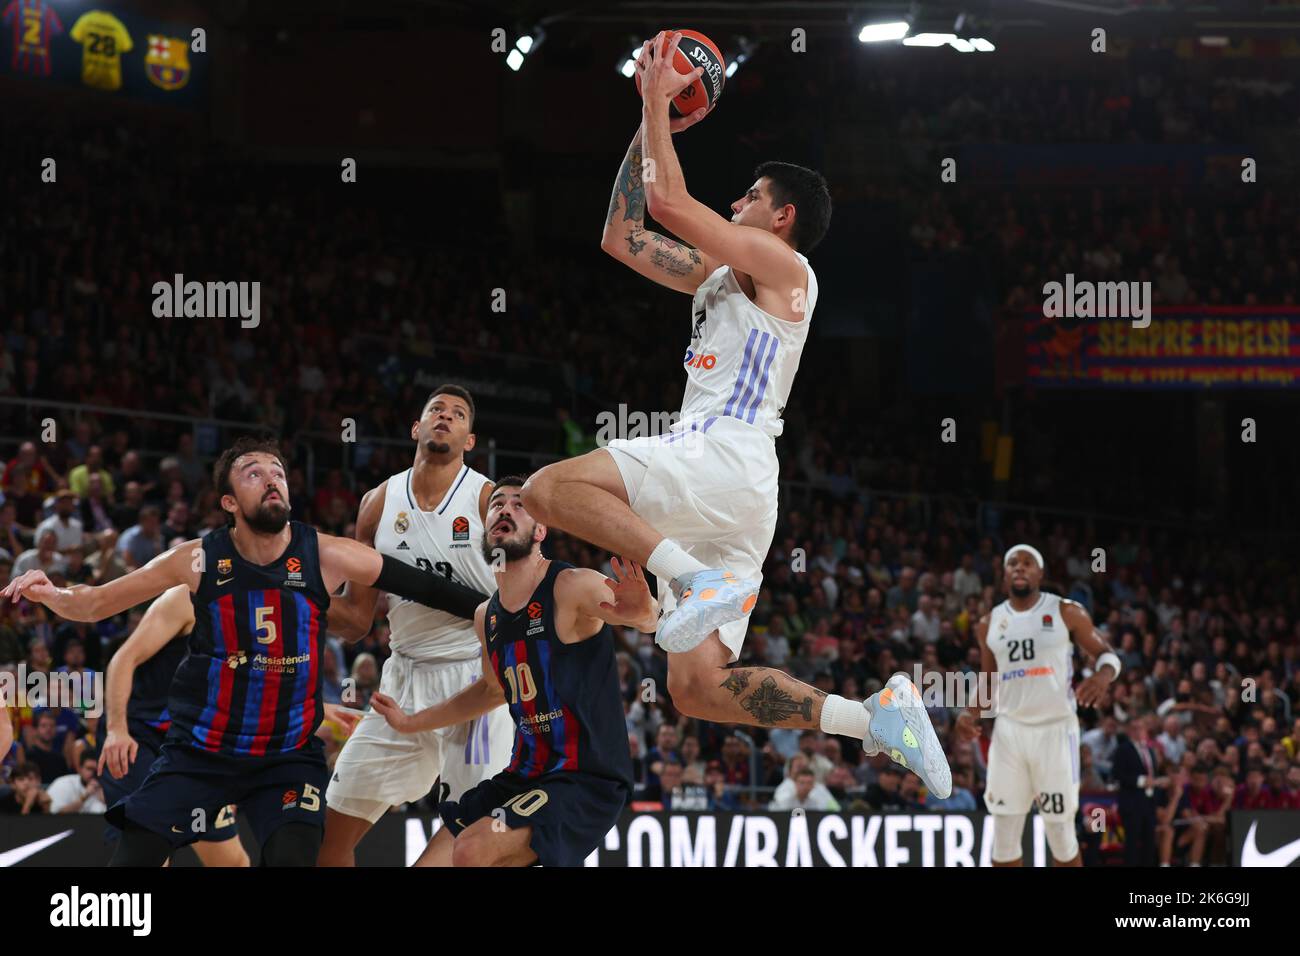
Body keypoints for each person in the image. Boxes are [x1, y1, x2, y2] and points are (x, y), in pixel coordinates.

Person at [520, 31, 948, 800]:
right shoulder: (722, 279)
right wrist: (648, 127)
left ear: (781, 217)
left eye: (748, 197)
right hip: (734, 494)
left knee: (549, 491)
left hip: (723, 456)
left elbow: (669, 201)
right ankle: (873, 718)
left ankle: (694, 581)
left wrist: (657, 99)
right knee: (697, 689)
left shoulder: (788, 270)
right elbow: (623, 234)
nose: (734, 203)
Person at [2, 436, 495, 866]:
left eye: (277, 471)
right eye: (253, 473)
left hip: (285, 757)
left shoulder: (325, 553)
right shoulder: (196, 560)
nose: (271, 479)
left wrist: (502, 615)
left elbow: (425, 587)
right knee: (134, 858)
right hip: (200, 752)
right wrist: (54, 595)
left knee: (293, 855)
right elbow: (97, 603)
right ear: (229, 501)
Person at [371, 476, 652, 866]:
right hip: (522, 775)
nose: (505, 508)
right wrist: (410, 722)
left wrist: (644, 614)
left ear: (540, 530)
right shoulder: (486, 617)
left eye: (520, 504)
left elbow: (649, 618)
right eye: (497, 504)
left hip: (584, 776)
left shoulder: (571, 586)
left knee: (473, 849)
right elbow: (490, 692)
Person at [319, 386, 514, 867]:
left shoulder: (489, 498)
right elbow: (355, 622)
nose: (445, 417)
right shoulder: (378, 502)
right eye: (436, 410)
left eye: (458, 414)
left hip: (476, 682)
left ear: (470, 439)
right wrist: (295, 594)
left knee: (471, 844)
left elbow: (524, 591)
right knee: (327, 841)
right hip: (402, 683)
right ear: (417, 427)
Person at [955, 544, 1121, 867]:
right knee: (1003, 837)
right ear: (1004, 576)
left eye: (1027, 563)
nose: (1020, 567)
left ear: (1040, 573)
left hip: (1055, 731)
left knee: (1060, 833)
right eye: (1013, 563)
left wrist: (1103, 675)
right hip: (1009, 733)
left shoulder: (1066, 611)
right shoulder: (989, 624)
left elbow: (1107, 654)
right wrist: (968, 713)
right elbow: (989, 682)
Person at [1112, 716, 1164, 867]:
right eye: (1135, 728)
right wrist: (1141, 781)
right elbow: (1117, 774)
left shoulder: (1150, 750)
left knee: (1149, 842)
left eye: (1141, 728)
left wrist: (1158, 782)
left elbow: (1152, 774)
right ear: (1129, 731)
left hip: (1149, 802)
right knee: (1132, 843)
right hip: (1131, 803)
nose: (1139, 731)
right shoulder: (1123, 749)